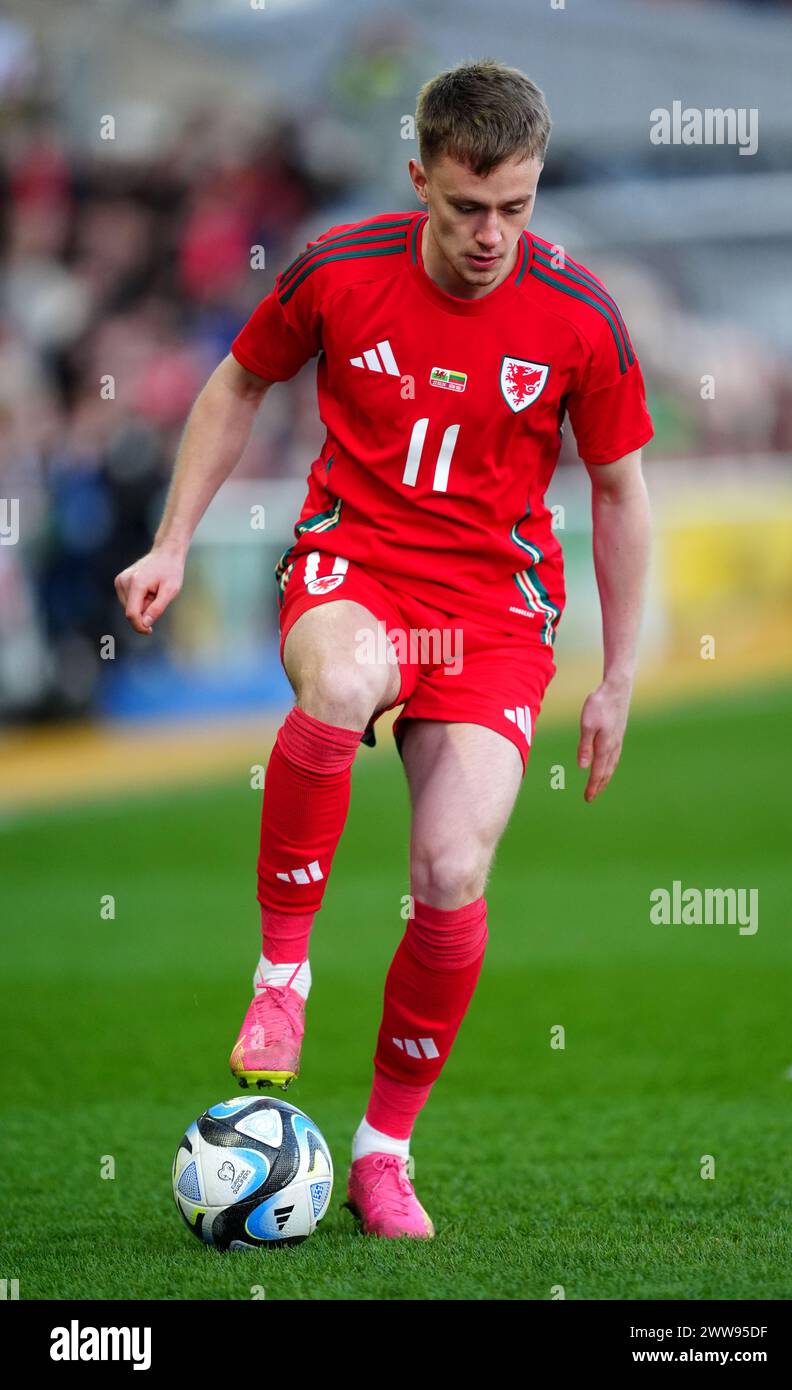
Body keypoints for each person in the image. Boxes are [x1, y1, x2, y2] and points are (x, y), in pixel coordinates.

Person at [115, 59, 653, 1240]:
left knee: (452, 873)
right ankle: (282, 979)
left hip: (495, 612)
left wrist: (616, 677)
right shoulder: (335, 267)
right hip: (355, 565)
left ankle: (380, 1153)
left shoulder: (579, 314)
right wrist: (170, 543)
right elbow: (236, 385)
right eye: (467, 206)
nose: (491, 235)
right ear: (420, 178)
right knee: (347, 679)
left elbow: (618, 491)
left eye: (516, 206)